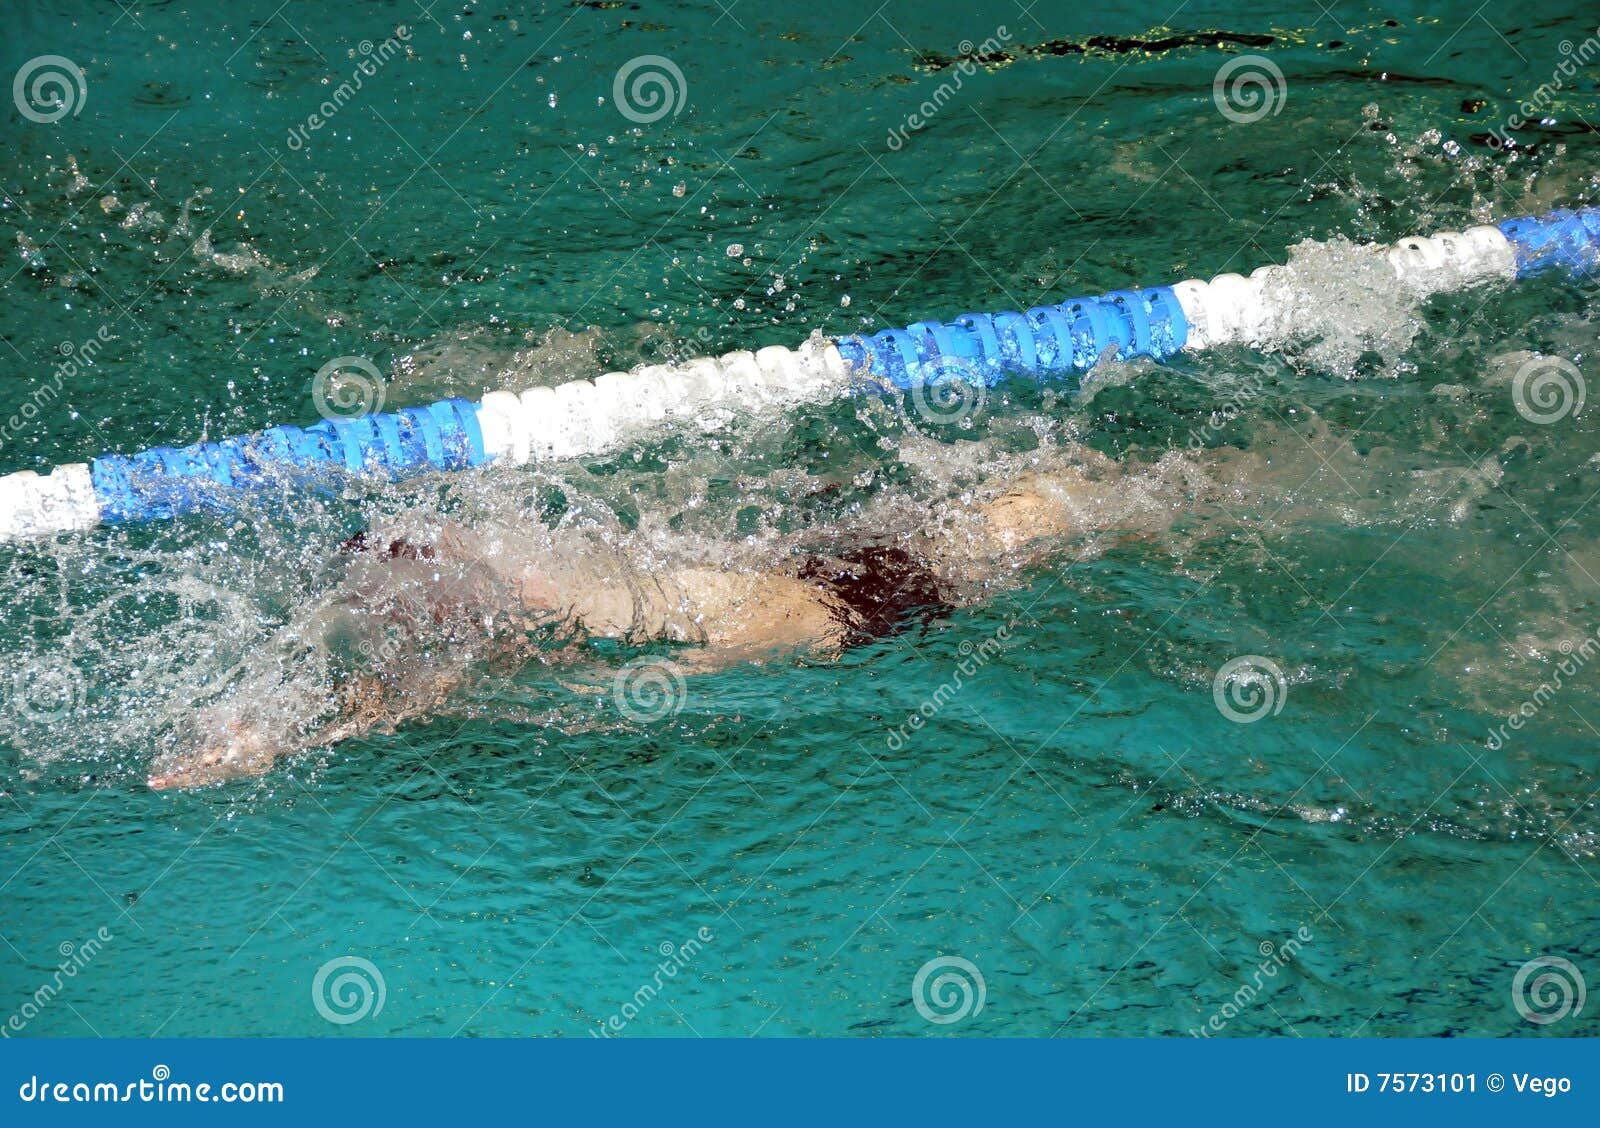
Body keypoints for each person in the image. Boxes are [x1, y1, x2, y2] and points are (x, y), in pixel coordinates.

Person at [145, 447, 1165, 789]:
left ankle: (1162, 493)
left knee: (1043, 520)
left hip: (822, 605)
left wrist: (681, 681)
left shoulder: (550, 597)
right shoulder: (495, 611)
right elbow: (401, 695)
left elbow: (752, 642)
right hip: (789, 581)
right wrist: (264, 742)